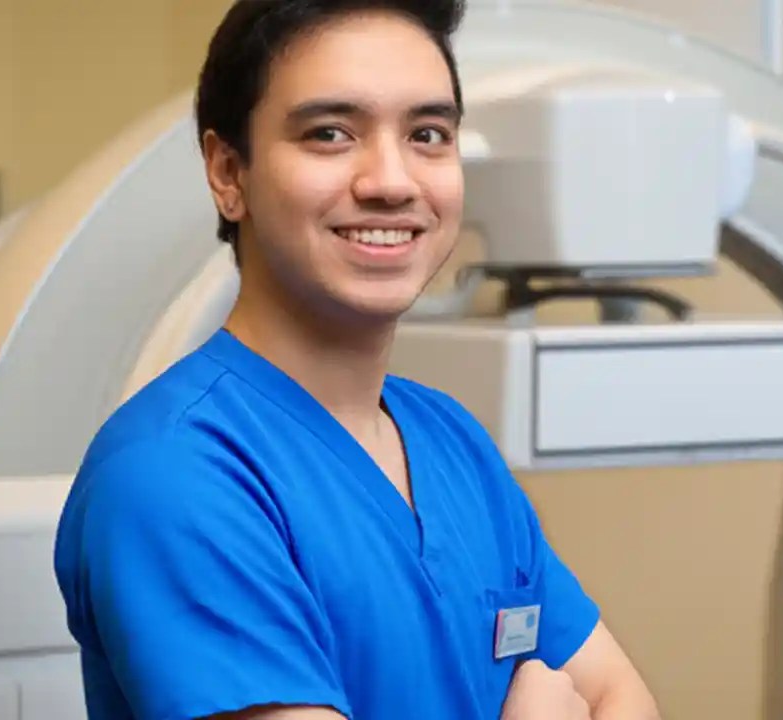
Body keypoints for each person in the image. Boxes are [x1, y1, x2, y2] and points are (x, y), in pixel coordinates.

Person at [53, 1, 660, 718]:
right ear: (227, 172)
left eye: (428, 134)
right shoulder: (175, 475)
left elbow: (624, 697)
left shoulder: (451, 440)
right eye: (331, 134)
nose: (391, 181)